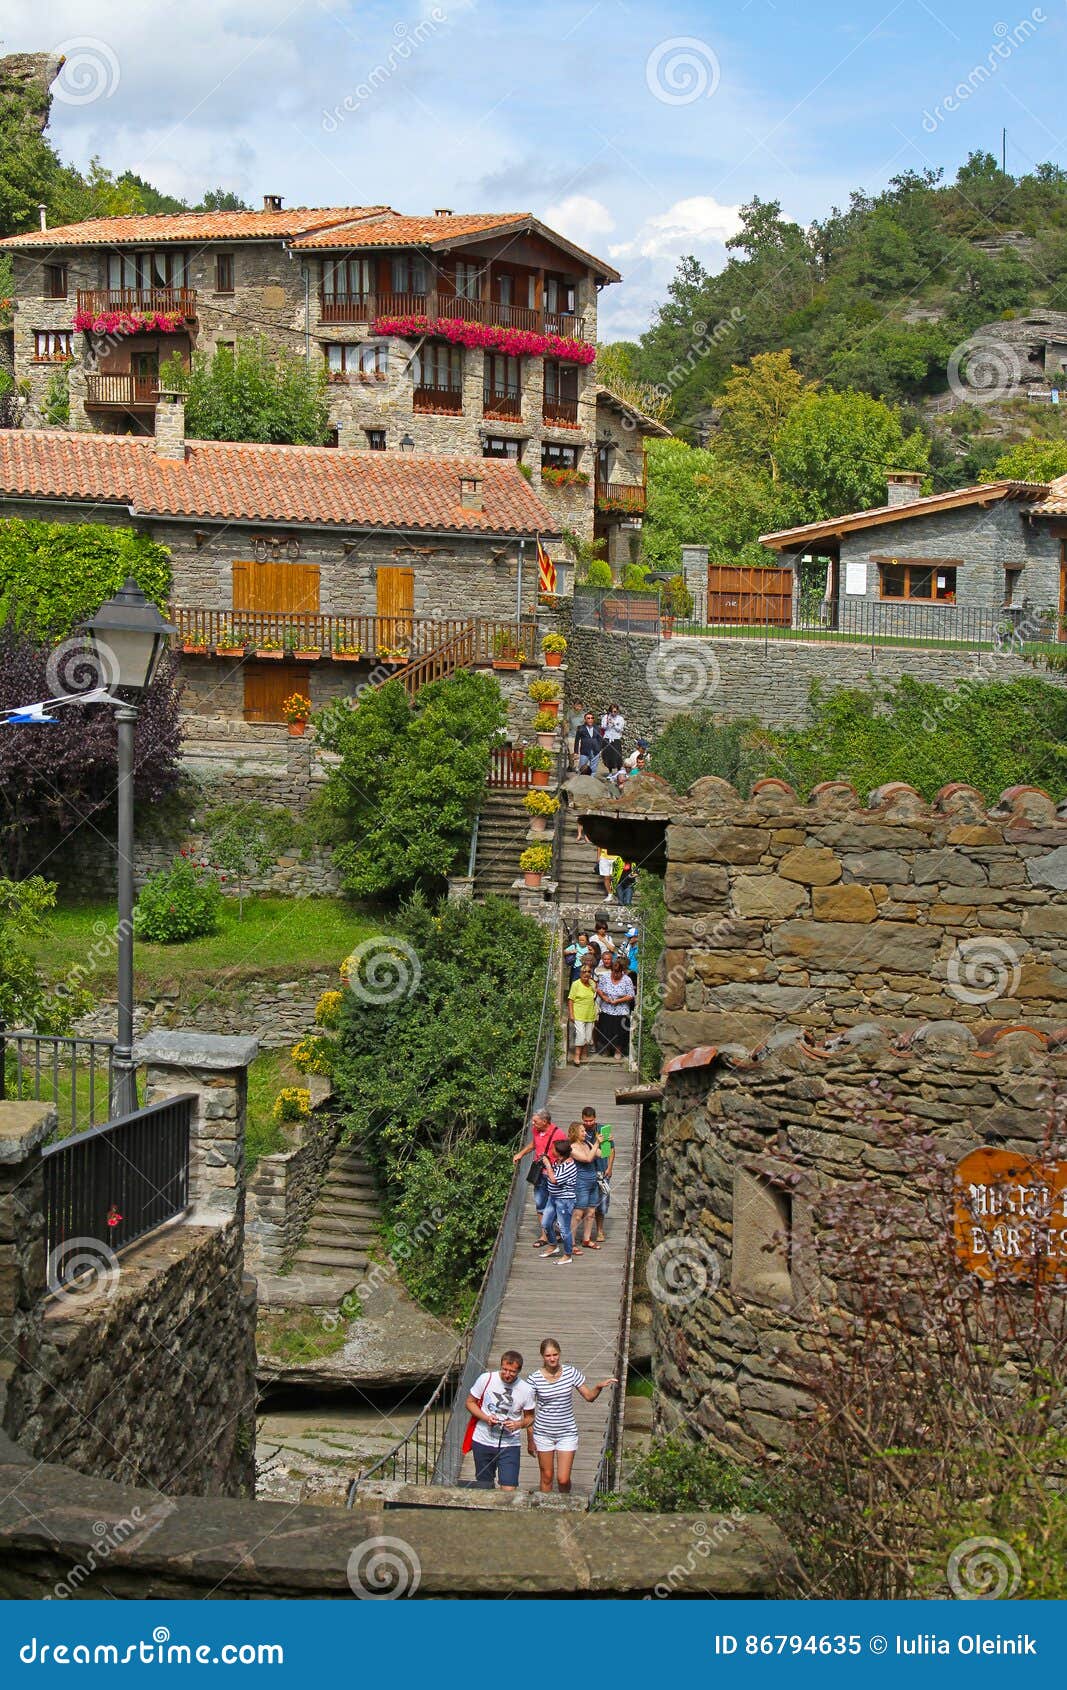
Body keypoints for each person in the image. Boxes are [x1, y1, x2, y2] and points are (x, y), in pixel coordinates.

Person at [526, 1338, 616, 1494]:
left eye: (555, 1354)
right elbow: (528, 1412)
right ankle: (544, 1514)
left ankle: (565, 1507)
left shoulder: (570, 1372)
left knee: (563, 1479)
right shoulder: (534, 1379)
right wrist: (530, 1439)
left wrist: (598, 1387)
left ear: (560, 1354)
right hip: (543, 1434)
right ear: (542, 1356)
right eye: (548, 1356)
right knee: (547, 1477)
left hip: (567, 1433)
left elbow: (589, 1397)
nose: (552, 1358)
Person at [466, 1349, 536, 1490]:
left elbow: (530, 1418)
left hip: (509, 1444)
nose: (507, 1374)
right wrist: (486, 1418)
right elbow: (469, 1402)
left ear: (519, 1371)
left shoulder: (526, 1389)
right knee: (484, 1487)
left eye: (512, 1371)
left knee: (509, 1489)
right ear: (500, 1365)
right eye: (504, 1369)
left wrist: (518, 1424)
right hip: (482, 1440)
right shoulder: (486, 1378)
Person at [513, 1108, 567, 1245]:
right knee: (540, 1202)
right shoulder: (536, 1130)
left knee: (554, 1203)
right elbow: (534, 1144)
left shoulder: (558, 1134)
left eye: (535, 1121)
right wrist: (521, 1154)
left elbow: (565, 1153)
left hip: (552, 1173)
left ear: (545, 1121)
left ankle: (555, 1230)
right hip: (539, 1173)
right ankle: (544, 1235)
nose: (532, 1124)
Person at [540, 1138, 578, 1265]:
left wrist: (547, 1164)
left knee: (564, 1229)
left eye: (553, 1149)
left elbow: (554, 1180)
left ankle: (568, 1255)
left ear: (560, 1153)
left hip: (565, 1200)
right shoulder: (559, 1161)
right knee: (545, 1223)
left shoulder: (568, 1166)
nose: (551, 1151)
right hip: (553, 1198)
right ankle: (553, 1246)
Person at [568, 1119, 602, 1254]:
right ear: (575, 1132)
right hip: (580, 1182)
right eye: (582, 1130)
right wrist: (597, 1143)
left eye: (584, 1130)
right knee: (578, 1214)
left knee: (591, 1212)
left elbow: (602, 1154)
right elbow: (587, 1158)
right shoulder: (571, 1147)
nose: (584, 1132)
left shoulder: (587, 1143)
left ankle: (586, 1239)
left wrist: (605, 1143)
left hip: (592, 1181)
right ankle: (571, 1243)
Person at [596, 953, 636, 1064]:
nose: (615, 974)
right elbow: (599, 989)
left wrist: (618, 1001)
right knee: (606, 1030)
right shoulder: (605, 978)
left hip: (621, 1010)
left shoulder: (627, 979)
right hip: (607, 1008)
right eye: (614, 971)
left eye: (618, 972)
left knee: (619, 1032)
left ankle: (618, 1051)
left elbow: (630, 995)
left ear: (622, 971)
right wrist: (604, 997)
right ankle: (607, 1049)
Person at [584, 1105, 616, 1243]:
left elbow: (610, 1151)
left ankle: (600, 1231)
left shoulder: (604, 1130)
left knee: (603, 1202)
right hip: (586, 1171)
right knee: (585, 1202)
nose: (588, 1123)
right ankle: (586, 1233)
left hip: (602, 1171)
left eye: (591, 1121)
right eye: (586, 1121)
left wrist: (610, 1167)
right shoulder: (580, 1131)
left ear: (595, 1119)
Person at [567, 962, 597, 1066]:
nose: (586, 974)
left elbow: (595, 996)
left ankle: (584, 1053)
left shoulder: (592, 984)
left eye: (589, 972)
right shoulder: (576, 984)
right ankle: (577, 1055)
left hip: (590, 1014)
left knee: (588, 1037)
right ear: (580, 973)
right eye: (584, 972)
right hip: (578, 1013)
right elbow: (570, 1000)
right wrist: (571, 1014)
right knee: (580, 1035)